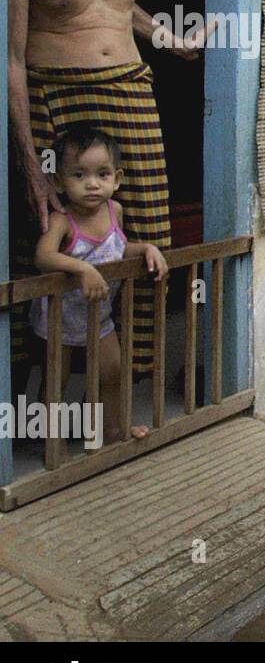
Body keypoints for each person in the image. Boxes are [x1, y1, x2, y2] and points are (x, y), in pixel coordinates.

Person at [8, 0, 201, 376]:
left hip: (131, 91)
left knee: (147, 234)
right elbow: (11, 61)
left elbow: (117, 6)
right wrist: (30, 165)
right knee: (49, 237)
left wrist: (170, 39)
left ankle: (125, 374)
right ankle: (44, 385)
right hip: (55, 98)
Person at [33, 126, 168, 444]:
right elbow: (43, 256)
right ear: (58, 181)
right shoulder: (61, 220)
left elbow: (118, 249)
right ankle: (50, 440)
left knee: (112, 373)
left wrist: (147, 249)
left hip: (100, 316)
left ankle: (111, 430)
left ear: (116, 179)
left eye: (102, 174)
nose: (92, 184)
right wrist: (81, 269)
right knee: (56, 380)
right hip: (59, 319)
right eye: (79, 175)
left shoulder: (114, 211)